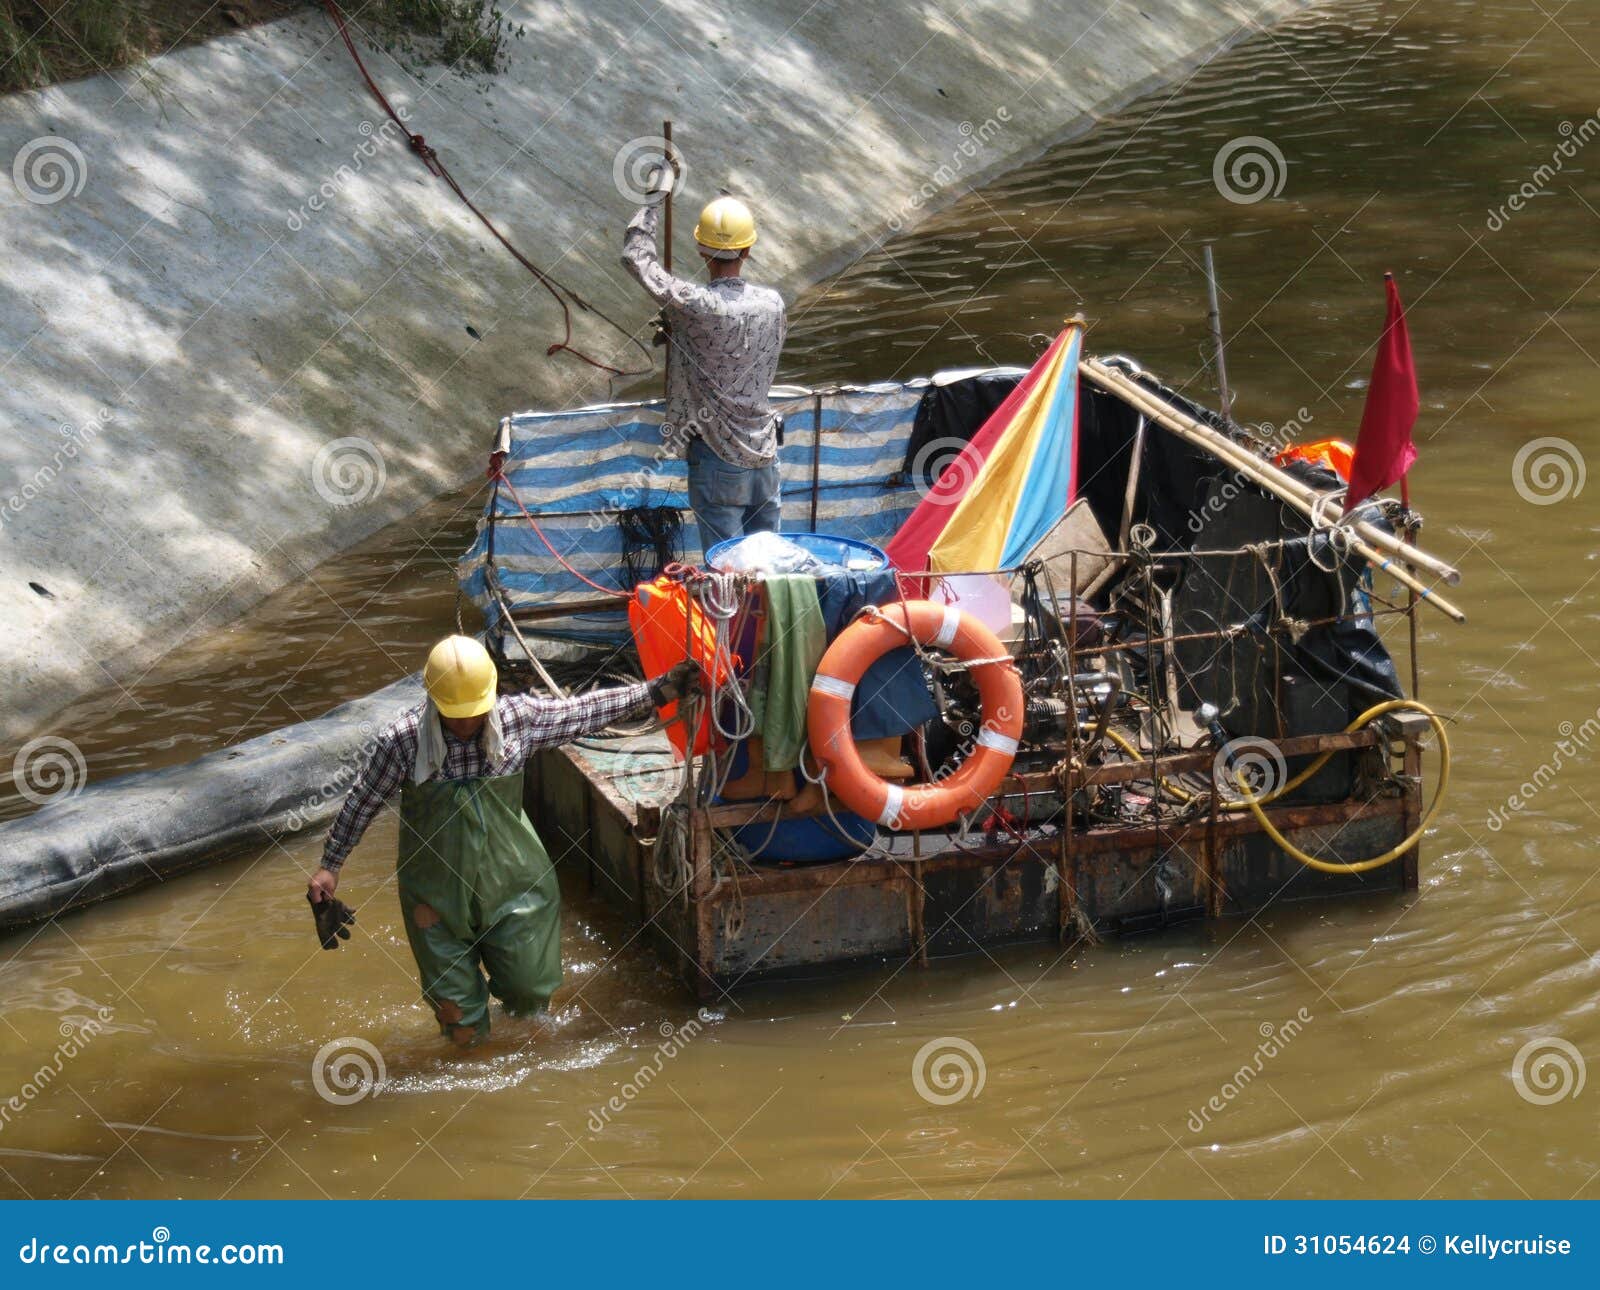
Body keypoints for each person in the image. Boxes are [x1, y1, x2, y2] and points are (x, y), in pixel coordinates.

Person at [305, 635, 694, 1046]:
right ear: (432, 701)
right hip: (435, 898)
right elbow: (363, 801)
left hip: (514, 883)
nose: (466, 724)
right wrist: (330, 866)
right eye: (454, 716)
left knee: (530, 995)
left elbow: (584, 711)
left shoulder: (517, 720)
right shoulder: (402, 741)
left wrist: (657, 690)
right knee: (461, 1026)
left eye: (474, 713)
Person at [621, 170, 787, 555]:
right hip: (765, 457)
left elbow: (635, 257)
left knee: (727, 573)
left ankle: (729, 618)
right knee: (769, 568)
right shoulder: (772, 303)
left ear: (701, 250)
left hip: (717, 460)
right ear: (747, 251)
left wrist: (655, 199)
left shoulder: (695, 306)